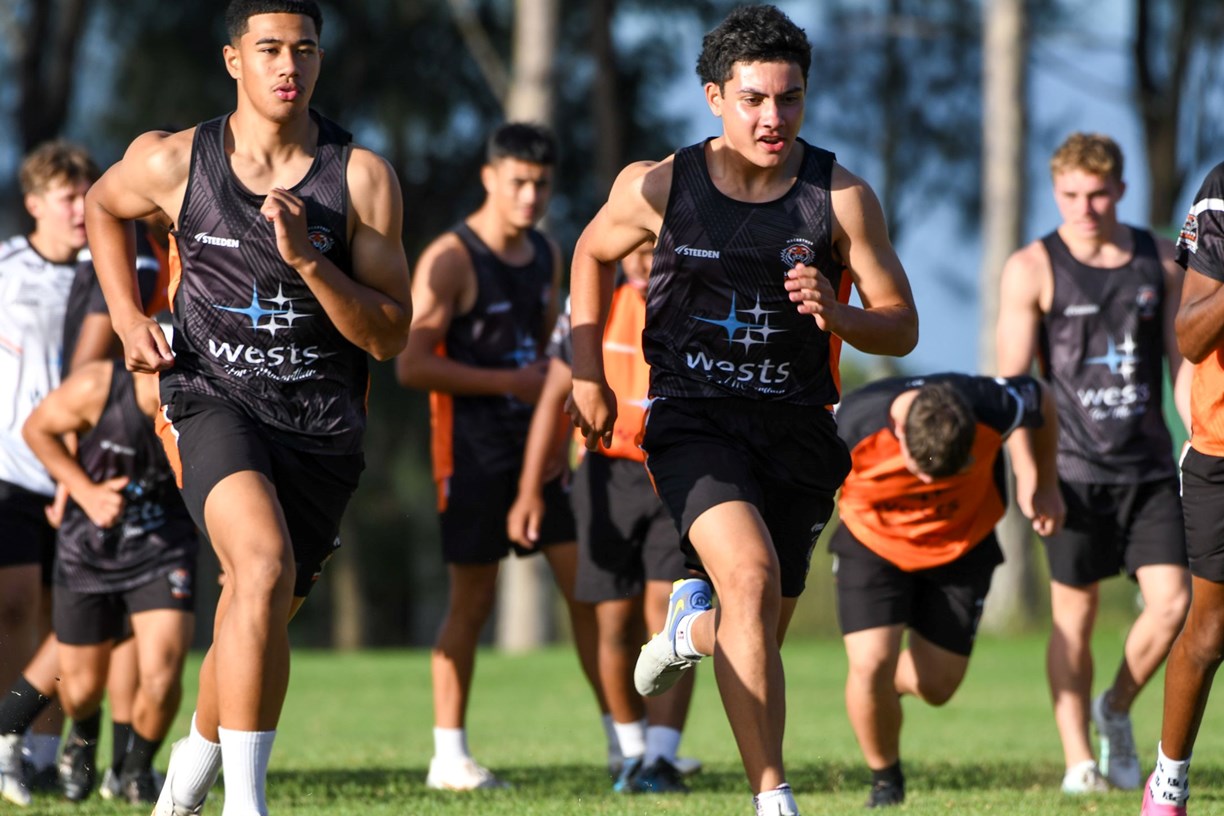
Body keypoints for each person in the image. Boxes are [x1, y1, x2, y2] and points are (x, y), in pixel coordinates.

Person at [565, 6, 918, 814]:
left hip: (797, 432)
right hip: (693, 420)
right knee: (750, 582)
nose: (773, 118)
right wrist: (589, 374)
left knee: (752, 628)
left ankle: (689, 632)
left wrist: (841, 312)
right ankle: (773, 798)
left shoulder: (841, 197)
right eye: (754, 99)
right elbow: (589, 250)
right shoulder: (660, 184)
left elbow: (901, 324)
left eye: (789, 99)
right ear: (714, 97)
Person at [84, 1, 413, 813]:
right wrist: (129, 317)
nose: (287, 66)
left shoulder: (361, 178)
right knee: (258, 567)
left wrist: (308, 260)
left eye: (304, 49)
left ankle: (177, 798)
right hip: (210, 399)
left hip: (322, 431)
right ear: (234, 60)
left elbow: (388, 336)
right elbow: (100, 203)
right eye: (268, 49)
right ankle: (247, 805)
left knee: (253, 615)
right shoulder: (176, 163)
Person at [396, 121, 604, 791]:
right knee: (472, 602)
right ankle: (448, 755)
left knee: (587, 594)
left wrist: (551, 422)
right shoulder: (451, 258)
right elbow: (411, 365)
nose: (530, 195)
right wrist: (504, 383)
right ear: (489, 178)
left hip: (538, 454)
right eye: (518, 181)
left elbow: (548, 356)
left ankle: (625, 746)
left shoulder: (547, 253)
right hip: (470, 452)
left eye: (541, 184)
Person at [996, 132, 1191, 794]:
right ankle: (1080, 762)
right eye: (1072, 195)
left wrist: (1199, 434)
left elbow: (1182, 363)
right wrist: (1032, 477)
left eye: (1099, 193)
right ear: (1056, 191)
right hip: (1070, 473)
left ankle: (1116, 709)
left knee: (1174, 606)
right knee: (1072, 623)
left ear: (1121, 190)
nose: (1086, 207)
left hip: (1151, 469)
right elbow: (1015, 388)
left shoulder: (1159, 259)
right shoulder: (1031, 267)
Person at [507, 240, 698, 794]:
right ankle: (632, 751)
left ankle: (663, 757)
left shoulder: (691, 300)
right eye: (634, 249)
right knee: (612, 622)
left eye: (654, 249)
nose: (643, 260)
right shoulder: (591, 304)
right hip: (602, 475)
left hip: (675, 471)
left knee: (669, 616)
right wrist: (529, 488)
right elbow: (553, 393)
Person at [831, 373, 1062, 807]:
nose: (931, 488)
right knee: (870, 663)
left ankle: (877, 689)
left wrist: (1043, 481)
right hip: (873, 544)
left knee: (937, 687)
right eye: (923, 475)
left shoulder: (990, 403)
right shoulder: (850, 423)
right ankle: (886, 782)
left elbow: (1042, 399)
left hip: (962, 545)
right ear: (899, 433)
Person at [9, 355, 199, 806]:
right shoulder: (99, 386)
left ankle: (135, 770)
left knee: (163, 672)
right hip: (89, 549)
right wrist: (86, 491)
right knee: (80, 687)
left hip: (163, 545)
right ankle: (83, 736)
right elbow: (38, 429)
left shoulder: (204, 396)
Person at [0, 140, 98, 806]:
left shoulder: (105, 272)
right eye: (68, 197)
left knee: (68, 618)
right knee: (13, 609)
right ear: (35, 204)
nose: (81, 208)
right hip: (11, 468)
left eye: (87, 193)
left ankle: (40, 749)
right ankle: (6, 745)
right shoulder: (5, 266)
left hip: (81, 473)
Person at [1140, 160, 1224, 815]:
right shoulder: (1221, 189)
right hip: (1222, 449)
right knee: (1210, 629)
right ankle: (1168, 783)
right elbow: (1191, 335)